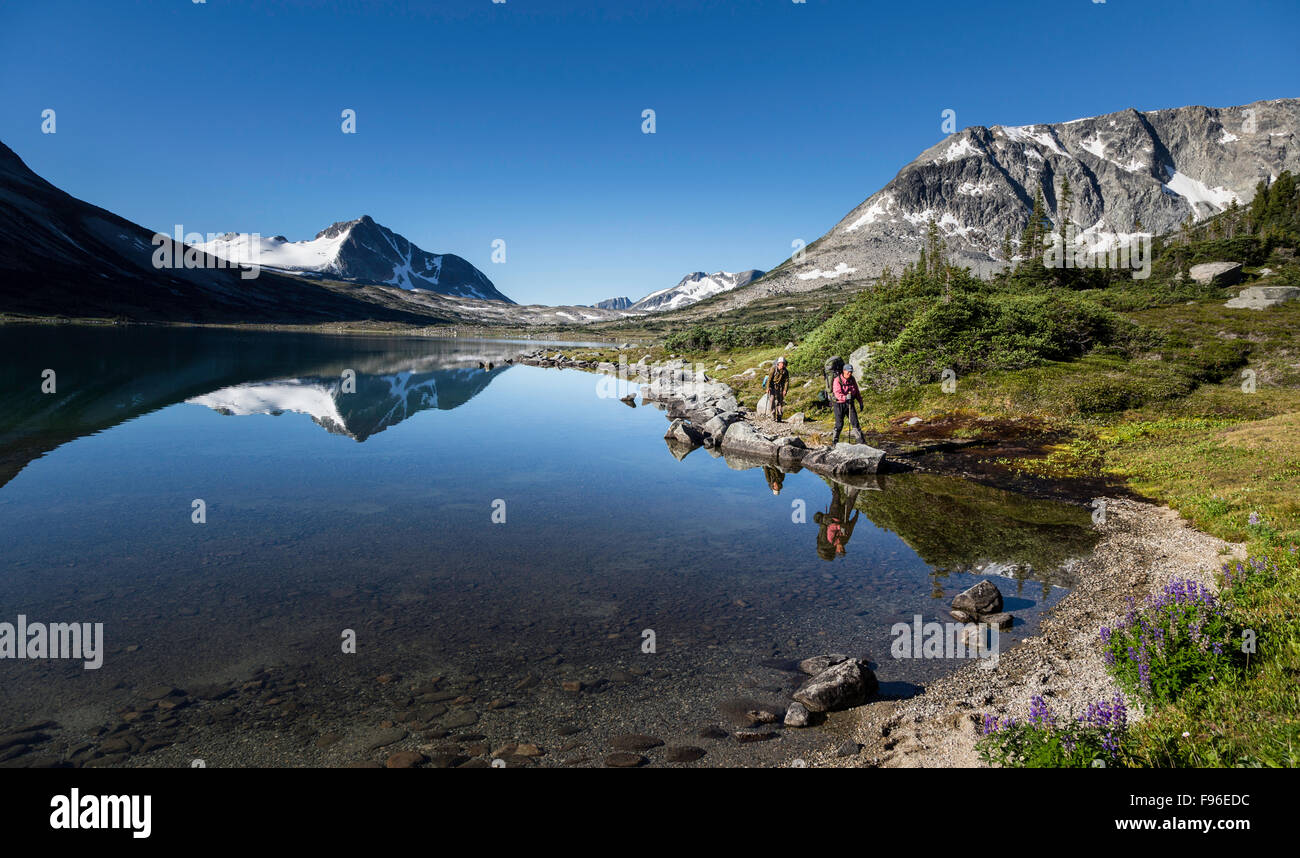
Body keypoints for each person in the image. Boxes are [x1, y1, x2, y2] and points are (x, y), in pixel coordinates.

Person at [831, 363, 867, 444]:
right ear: (844, 371)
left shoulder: (852, 379)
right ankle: (834, 442)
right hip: (839, 404)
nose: (850, 373)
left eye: (851, 372)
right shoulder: (837, 380)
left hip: (850, 403)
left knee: (855, 423)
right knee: (839, 424)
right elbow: (837, 394)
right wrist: (845, 397)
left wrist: (860, 402)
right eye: (848, 372)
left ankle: (861, 443)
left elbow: (857, 391)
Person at [765, 356, 790, 422]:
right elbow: (769, 379)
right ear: (778, 363)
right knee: (772, 400)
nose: (783, 364)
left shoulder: (785, 371)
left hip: (780, 388)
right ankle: (772, 415)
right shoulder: (773, 369)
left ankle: (779, 417)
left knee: (780, 401)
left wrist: (785, 390)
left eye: (784, 363)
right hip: (772, 386)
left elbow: (786, 381)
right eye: (781, 363)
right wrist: (767, 388)